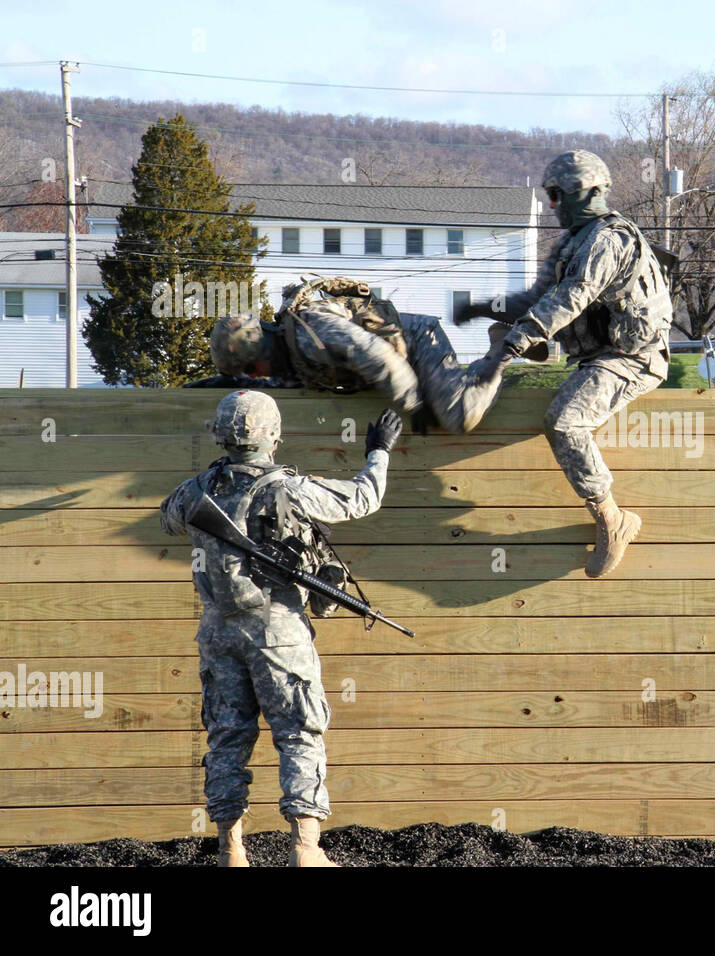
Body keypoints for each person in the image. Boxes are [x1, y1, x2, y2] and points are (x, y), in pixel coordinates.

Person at [160, 390, 403, 866]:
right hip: (278, 629)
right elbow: (363, 499)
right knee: (299, 733)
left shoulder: (193, 493)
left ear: (219, 434)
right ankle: (306, 853)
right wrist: (379, 449)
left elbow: (169, 521)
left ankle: (232, 852)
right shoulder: (289, 489)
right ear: (273, 435)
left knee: (226, 738)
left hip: (217, 632)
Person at [454, 149, 674, 577]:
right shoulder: (573, 241)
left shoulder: (608, 241)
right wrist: (485, 308)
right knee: (510, 334)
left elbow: (571, 298)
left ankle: (612, 518)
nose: (552, 205)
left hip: (631, 359)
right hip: (600, 357)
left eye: (556, 195)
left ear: (581, 193)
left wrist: (518, 341)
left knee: (565, 423)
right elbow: (540, 297)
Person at [203, 275, 502, 434]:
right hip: (397, 368)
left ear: (262, 350)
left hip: (418, 342)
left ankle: (503, 347)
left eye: (252, 370)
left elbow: (377, 356)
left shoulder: (312, 331)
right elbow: (277, 389)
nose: (257, 376)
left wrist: (414, 404)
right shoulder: (289, 357)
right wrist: (222, 387)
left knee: (459, 417)